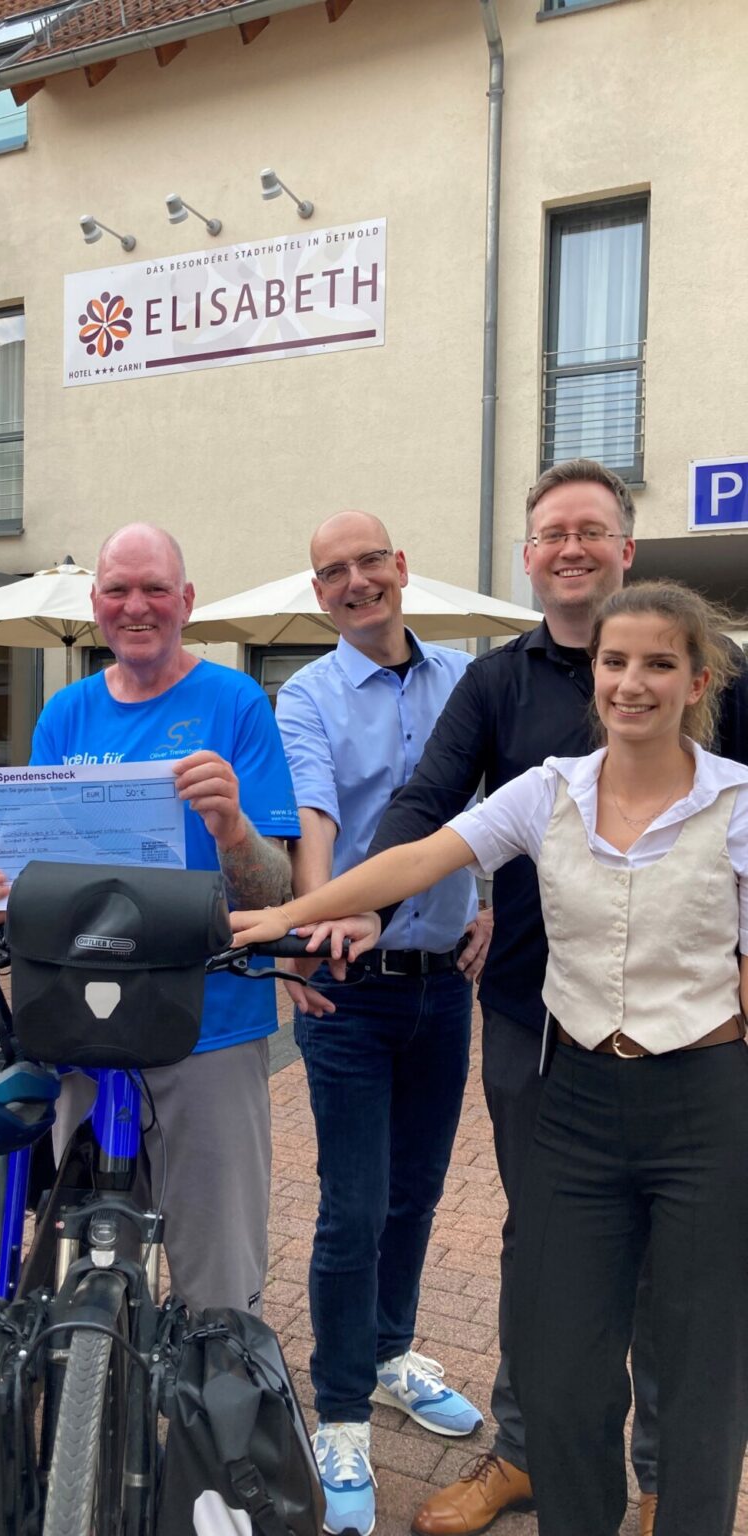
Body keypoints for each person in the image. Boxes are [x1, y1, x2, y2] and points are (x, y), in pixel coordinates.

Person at [231, 579, 748, 1536]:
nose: (633, 683)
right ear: (594, 677)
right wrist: (296, 914)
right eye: (615, 662)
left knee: (703, 1365)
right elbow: (423, 853)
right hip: (578, 1102)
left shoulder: (738, 804)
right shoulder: (550, 789)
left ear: (696, 681)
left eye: (659, 665)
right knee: (560, 1365)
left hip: (705, 1105)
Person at [365, 460, 748, 1536]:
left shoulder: (721, 674)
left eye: (590, 529)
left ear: (628, 547)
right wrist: (366, 908)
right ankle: (529, 1456)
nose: (568, 547)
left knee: (679, 1276)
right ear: (529, 555)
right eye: (548, 533)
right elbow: (429, 803)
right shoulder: (497, 683)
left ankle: (672, 1478)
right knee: (546, 1254)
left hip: (687, 1041)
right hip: (534, 1018)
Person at [0, 522, 299, 1316]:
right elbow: (39, 874)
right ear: (96, 604)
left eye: (155, 589)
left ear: (186, 602)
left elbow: (273, 892)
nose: (136, 605)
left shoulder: (237, 702)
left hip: (207, 1026)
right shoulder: (66, 714)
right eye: (118, 589)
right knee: (83, 1251)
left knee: (218, 1278)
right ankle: (91, 1417)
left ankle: (214, 1428)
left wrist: (233, 831)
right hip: (84, 1026)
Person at [272, 512, 490, 1536]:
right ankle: (342, 1410)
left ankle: (395, 1351)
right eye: (333, 573)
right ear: (320, 595)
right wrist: (314, 928)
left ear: (402, 569)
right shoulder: (307, 694)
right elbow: (313, 819)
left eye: (369, 563)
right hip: (350, 992)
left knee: (416, 1195)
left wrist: (486, 898)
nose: (355, 582)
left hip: (444, 985)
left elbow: (488, 809)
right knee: (351, 1209)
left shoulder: (465, 680)